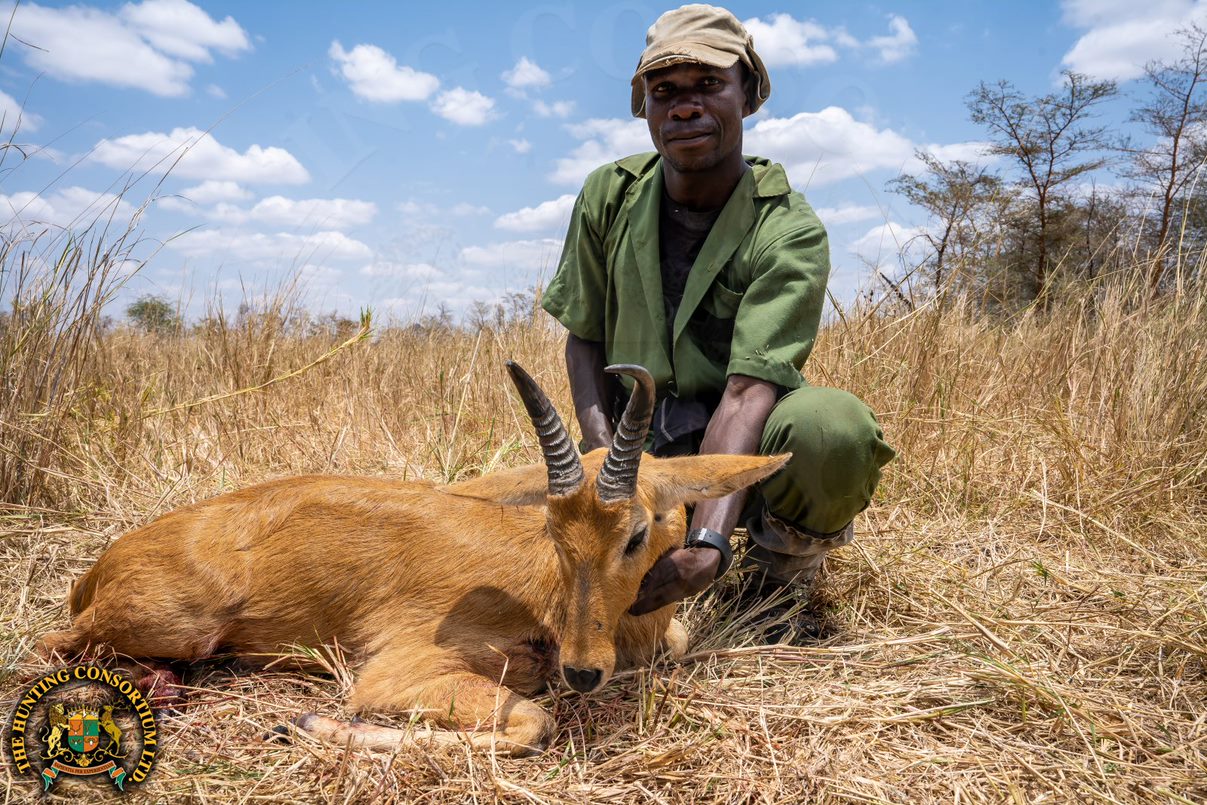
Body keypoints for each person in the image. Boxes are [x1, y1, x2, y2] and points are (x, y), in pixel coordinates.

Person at [541, 3, 896, 633]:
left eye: (709, 84)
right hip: (640, 459)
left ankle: (774, 575)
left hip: (739, 447)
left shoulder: (788, 228)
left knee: (831, 427)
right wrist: (612, 487)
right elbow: (584, 340)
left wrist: (705, 543)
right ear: (644, 108)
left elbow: (747, 391)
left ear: (749, 96)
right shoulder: (608, 194)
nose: (685, 106)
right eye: (664, 91)